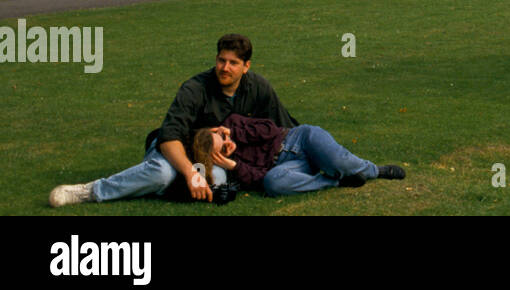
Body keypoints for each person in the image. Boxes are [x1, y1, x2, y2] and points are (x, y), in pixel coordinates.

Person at [49, 33, 298, 206]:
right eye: (221, 60)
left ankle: (158, 186)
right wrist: (190, 173)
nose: (225, 68)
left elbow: (286, 128)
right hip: (178, 148)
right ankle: (90, 191)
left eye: (233, 63)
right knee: (162, 174)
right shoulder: (195, 88)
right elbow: (169, 137)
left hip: (212, 160)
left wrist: (309, 155)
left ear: (246, 66)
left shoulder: (258, 87)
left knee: (218, 183)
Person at [192, 115, 404, 196]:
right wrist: (234, 166)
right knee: (273, 183)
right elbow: (260, 179)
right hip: (286, 166)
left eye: (222, 136)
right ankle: (335, 183)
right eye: (222, 148)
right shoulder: (230, 165)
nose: (227, 143)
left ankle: (375, 170)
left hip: (298, 139)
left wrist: (235, 134)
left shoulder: (234, 123)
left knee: (339, 161)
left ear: (216, 130)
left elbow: (270, 128)